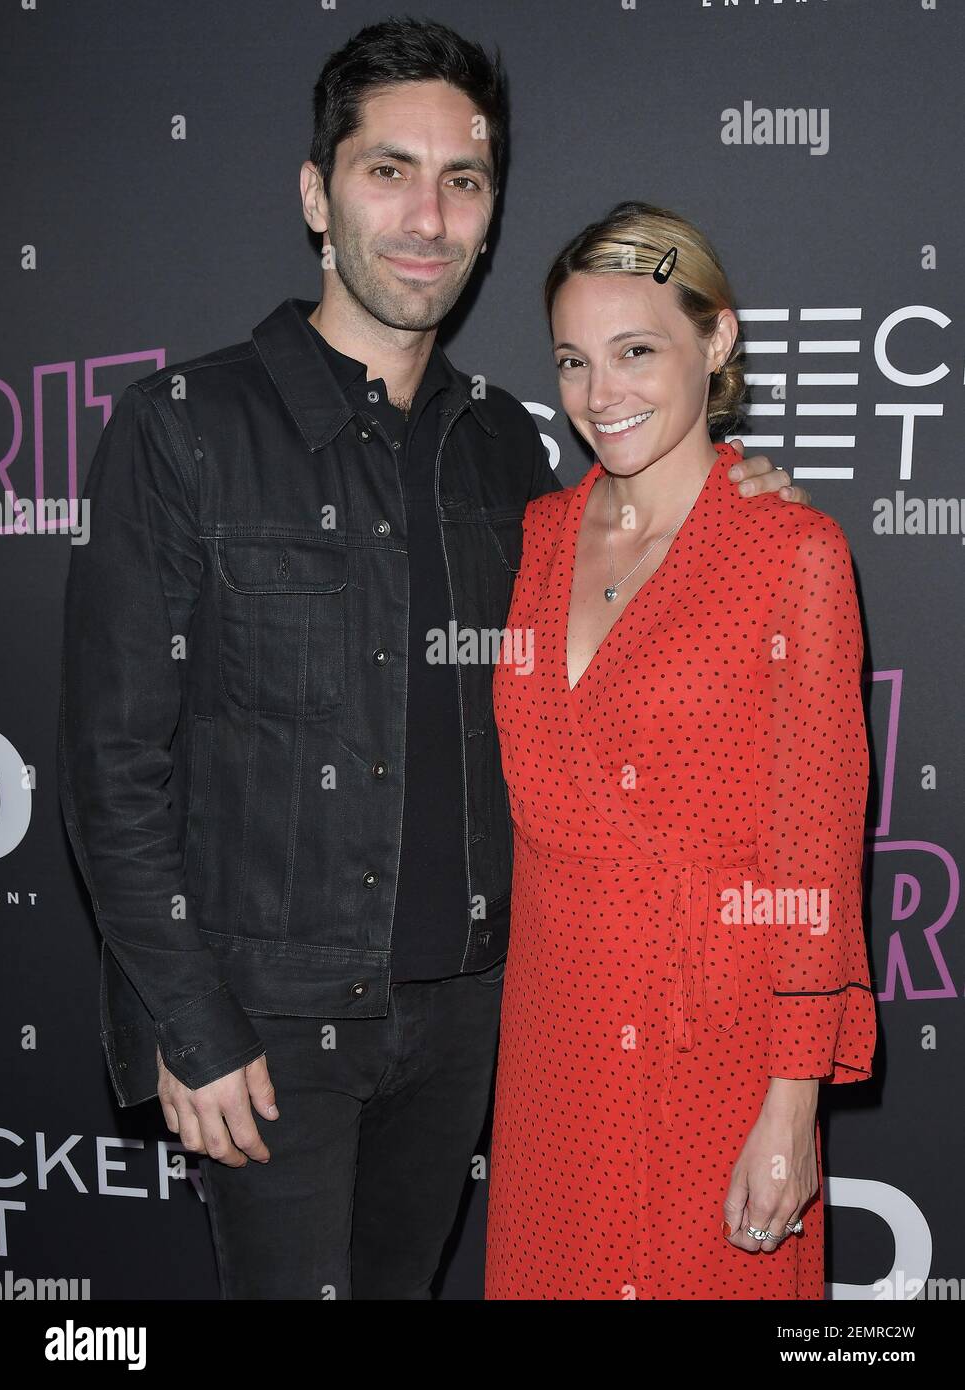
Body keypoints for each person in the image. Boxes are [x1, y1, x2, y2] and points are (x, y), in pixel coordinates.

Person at [57, 20, 805, 1301]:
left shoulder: (507, 451)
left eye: (463, 180)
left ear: (490, 211)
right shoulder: (187, 429)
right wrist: (185, 1017)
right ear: (315, 192)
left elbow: (639, 577)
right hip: (272, 1019)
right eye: (386, 170)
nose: (426, 215)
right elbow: (113, 759)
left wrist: (739, 501)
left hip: (476, 1016)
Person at [484, 200, 877, 1300]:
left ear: (718, 341)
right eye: (572, 360)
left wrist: (790, 1105)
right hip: (553, 1051)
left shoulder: (790, 550)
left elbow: (814, 857)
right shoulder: (539, 535)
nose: (600, 394)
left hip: (713, 1053)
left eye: (637, 351)